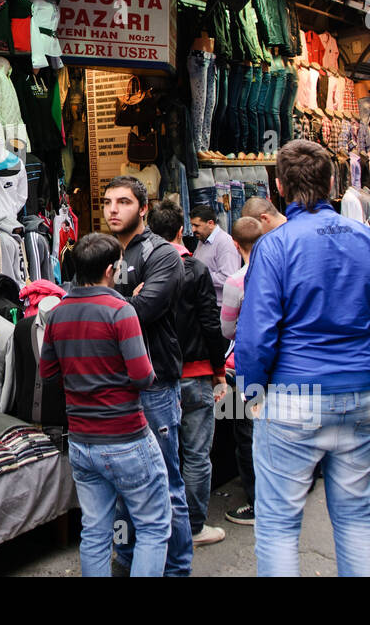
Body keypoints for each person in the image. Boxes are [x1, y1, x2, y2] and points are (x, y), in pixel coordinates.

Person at [234, 140, 370, 577]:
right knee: (355, 515)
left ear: (280, 187)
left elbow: (256, 336)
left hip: (292, 397)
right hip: (357, 392)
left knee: (278, 526)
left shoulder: (276, 246)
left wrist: (250, 393)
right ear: (331, 183)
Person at [40, 232, 170, 577]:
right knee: (154, 526)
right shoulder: (120, 311)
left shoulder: (57, 314)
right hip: (125, 435)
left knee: (96, 531)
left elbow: (48, 372)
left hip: (82, 440)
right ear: (111, 269)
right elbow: (143, 376)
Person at [102, 178, 193, 574]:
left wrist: (113, 300)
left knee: (166, 484)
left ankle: (176, 568)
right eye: (107, 202)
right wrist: (126, 300)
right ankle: (126, 560)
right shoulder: (103, 252)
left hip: (155, 383)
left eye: (123, 202)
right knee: (122, 487)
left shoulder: (162, 254)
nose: (112, 209)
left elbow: (144, 310)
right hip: (115, 385)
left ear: (143, 209)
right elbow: (87, 307)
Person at [147, 199, 229, 548]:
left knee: (161, 457)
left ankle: (162, 527)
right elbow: (212, 324)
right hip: (194, 375)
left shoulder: (142, 268)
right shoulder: (195, 270)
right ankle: (193, 527)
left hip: (155, 377)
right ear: (182, 230)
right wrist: (219, 370)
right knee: (196, 454)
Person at [218, 215, 266, 525]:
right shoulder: (281, 274)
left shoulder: (236, 281)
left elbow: (226, 329)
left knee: (246, 433)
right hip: (280, 362)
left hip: (245, 363)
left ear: (235, 244)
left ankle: (257, 502)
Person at [188, 204, 242, 303]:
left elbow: (227, 278)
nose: (193, 230)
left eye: (196, 225)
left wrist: (198, 277)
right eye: (192, 225)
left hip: (218, 306)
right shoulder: (202, 239)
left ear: (210, 223)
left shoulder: (225, 242)